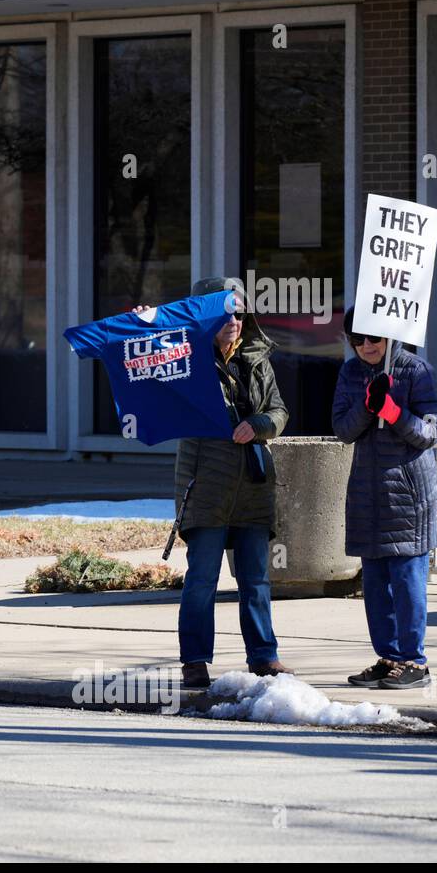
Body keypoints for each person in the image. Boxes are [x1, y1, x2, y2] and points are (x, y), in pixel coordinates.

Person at [163, 277, 292, 688]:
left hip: (253, 484)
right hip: (206, 484)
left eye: (238, 312)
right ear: (204, 317)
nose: (233, 320)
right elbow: (149, 369)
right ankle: (195, 661)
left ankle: (263, 657)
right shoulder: (185, 359)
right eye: (223, 313)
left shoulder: (257, 358)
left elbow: (279, 411)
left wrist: (259, 425)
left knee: (255, 578)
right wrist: (144, 325)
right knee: (202, 579)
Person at [334, 307, 437, 690]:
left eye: (373, 338)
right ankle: (389, 656)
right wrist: (368, 408)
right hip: (368, 491)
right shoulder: (349, 373)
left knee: (406, 580)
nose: (366, 346)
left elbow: (430, 432)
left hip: (409, 493)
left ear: (390, 336)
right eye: (357, 339)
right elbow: (343, 430)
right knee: (376, 584)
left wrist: (393, 412)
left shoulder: (416, 370)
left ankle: (415, 661)